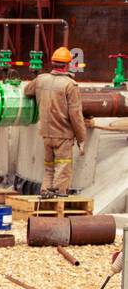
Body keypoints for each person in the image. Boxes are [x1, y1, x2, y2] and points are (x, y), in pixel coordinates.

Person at [23, 46, 92, 196]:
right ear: (67, 65)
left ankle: (45, 193)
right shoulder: (70, 85)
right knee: (62, 168)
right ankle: (58, 199)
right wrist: (81, 139)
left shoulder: (41, 80)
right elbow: (76, 115)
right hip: (63, 135)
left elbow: (27, 91)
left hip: (46, 134)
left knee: (49, 167)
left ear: (53, 63)